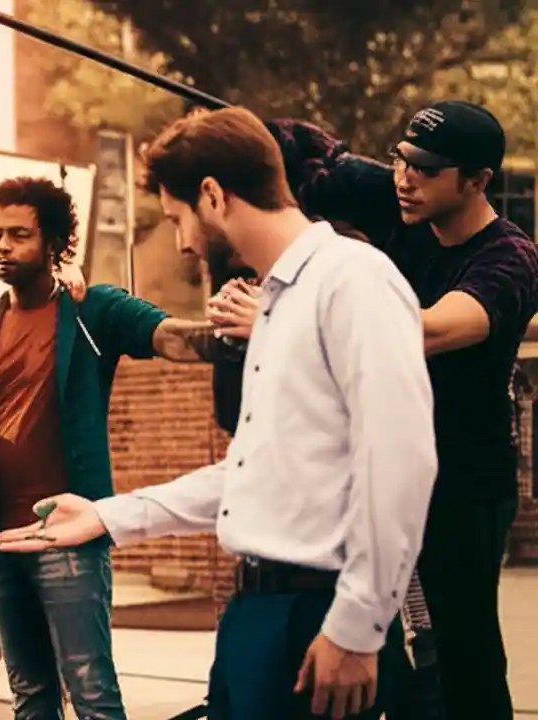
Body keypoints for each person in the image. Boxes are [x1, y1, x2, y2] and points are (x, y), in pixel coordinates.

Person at [0, 108, 437, 720]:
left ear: (212, 195)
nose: (182, 242)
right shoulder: (277, 302)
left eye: (179, 218)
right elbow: (252, 471)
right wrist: (107, 515)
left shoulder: (354, 281)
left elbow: (401, 461)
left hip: (316, 614)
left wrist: (358, 626)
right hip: (254, 615)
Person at [212, 101, 538, 719]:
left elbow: (428, 330)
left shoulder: (510, 260)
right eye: (400, 159)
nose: (405, 178)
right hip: (378, 460)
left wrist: (279, 318)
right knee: (378, 641)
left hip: (464, 481)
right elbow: (307, 159)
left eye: (427, 170)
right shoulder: (399, 195)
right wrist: (244, 133)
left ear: (477, 181)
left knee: (460, 647)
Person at [0, 176, 216, 720]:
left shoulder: (92, 311)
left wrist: (248, 331)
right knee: (30, 694)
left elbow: (172, 337)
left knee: (92, 692)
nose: (3, 246)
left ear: (55, 243)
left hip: (71, 536)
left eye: (18, 235)